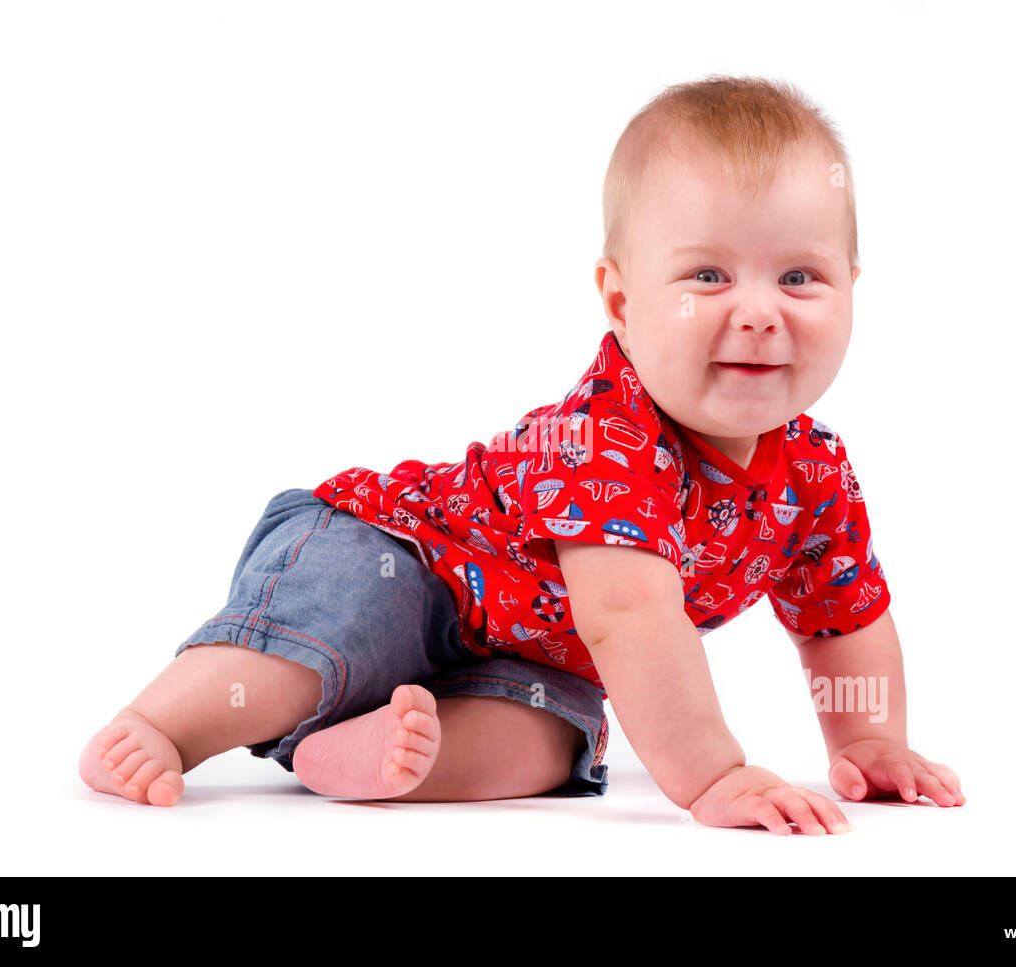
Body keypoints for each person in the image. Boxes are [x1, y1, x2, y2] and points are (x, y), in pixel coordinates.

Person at [79, 74, 965, 833]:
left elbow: (840, 617)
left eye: (800, 276)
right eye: (707, 276)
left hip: (527, 655)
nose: (761, 311)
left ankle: (363, 757)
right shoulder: (608, 438)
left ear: (854, 289)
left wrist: (870, 744)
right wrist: (712, 775)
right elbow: (630, 617)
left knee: (554, 738)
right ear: (620, 300)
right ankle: (165, 723)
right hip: (401, 556)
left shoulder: (814, 471)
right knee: (329, 634)